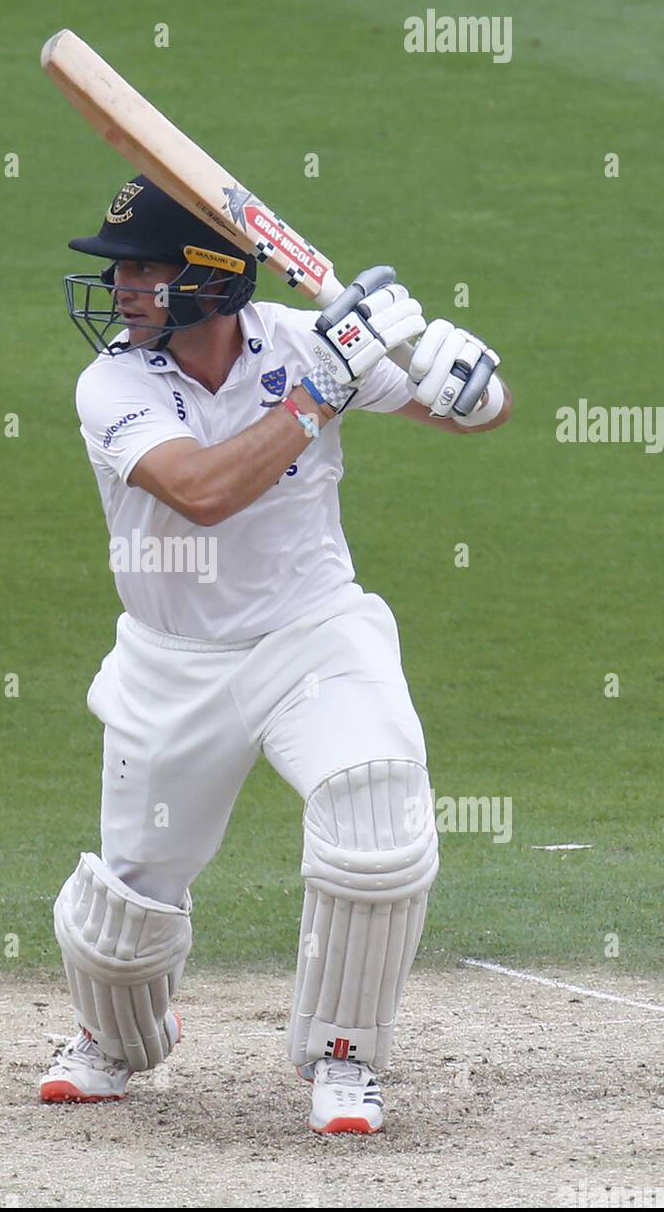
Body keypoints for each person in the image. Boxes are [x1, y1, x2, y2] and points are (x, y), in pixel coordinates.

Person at [39, 174, 511, 1133]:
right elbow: (203, 492)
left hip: (313, 633)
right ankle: (114, 1041)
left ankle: (345, 1056)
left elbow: (470, 416)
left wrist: (454, 373)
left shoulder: (302, 345)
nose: (123, 289)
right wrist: (318, 398)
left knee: (377, 816)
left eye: (143, 270)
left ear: (211, 279)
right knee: (127, 915)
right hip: (174, 662)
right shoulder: (114, 382)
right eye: (118, 270)